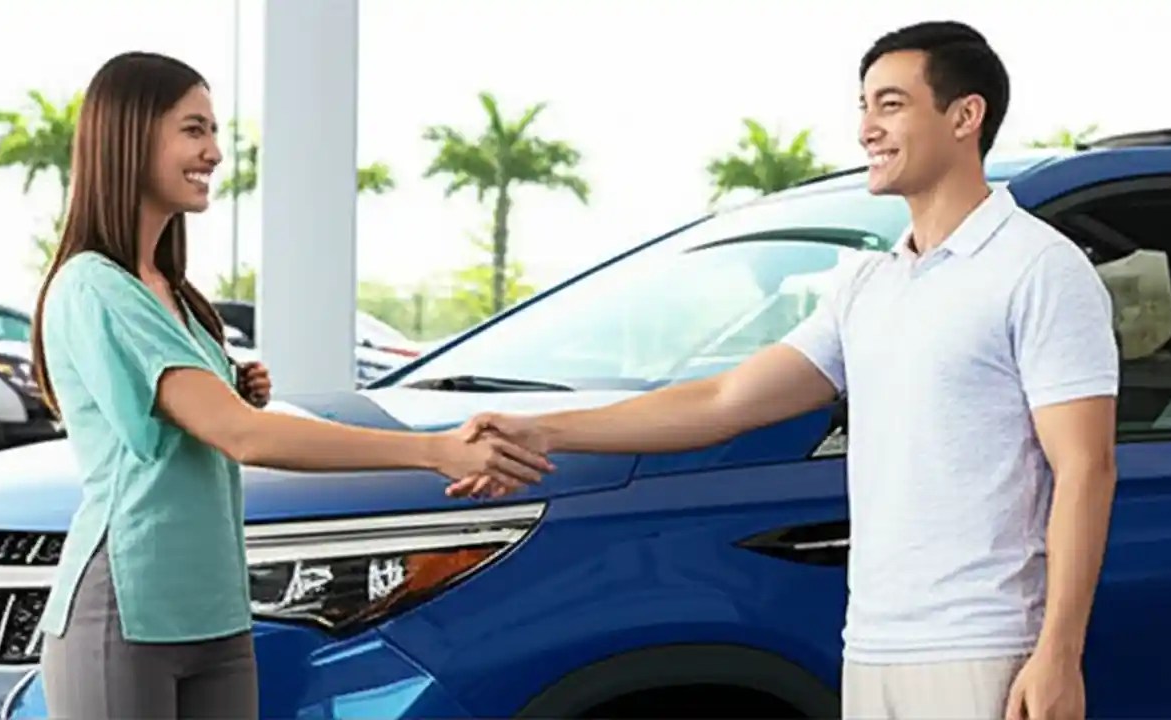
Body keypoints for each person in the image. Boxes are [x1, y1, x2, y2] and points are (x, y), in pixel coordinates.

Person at [453, 21, 1117, 720]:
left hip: (984, 645)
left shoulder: (1038, 268)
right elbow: (724, 400)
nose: (866, 128)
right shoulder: (871, 284)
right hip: (873, 644)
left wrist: (1057, 654)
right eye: (862, 106)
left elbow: (1085, 468)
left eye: (890, 104)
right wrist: (545, 431)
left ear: (964, 116)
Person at [30, 52, 552, 720]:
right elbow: (241, 437)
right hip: (125, 611)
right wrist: (435, 451)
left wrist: (229, 387)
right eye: (193, 129)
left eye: (214, 131)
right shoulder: (95, 285)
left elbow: (207, 423)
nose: (215, 152)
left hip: (215, 607)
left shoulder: (176, 297)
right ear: (129, 135)